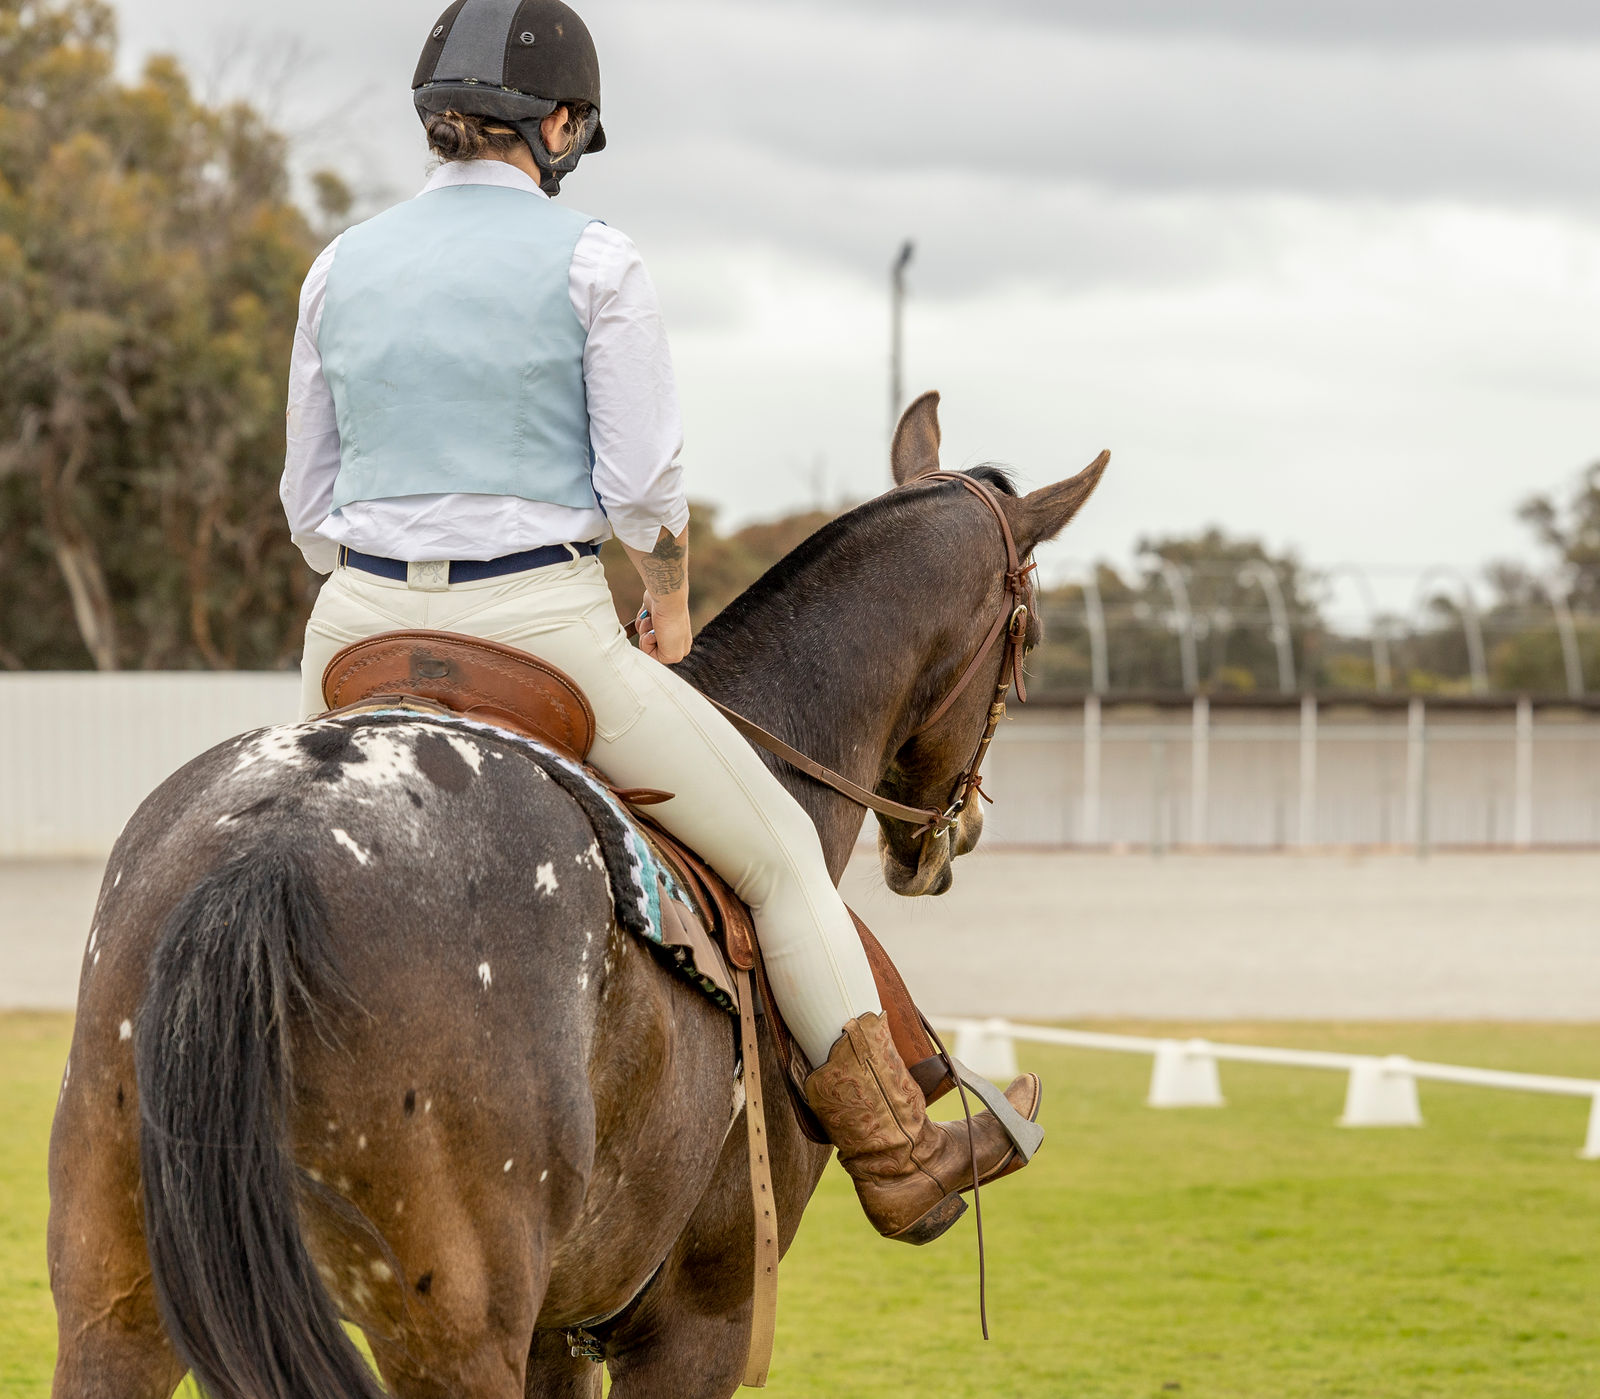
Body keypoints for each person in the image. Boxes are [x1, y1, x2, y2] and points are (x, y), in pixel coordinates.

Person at [279, 0, 1039, 1245]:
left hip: (350, 631)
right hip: (538, 627)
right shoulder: (593, 261)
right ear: (561, 125)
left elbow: (309, 505)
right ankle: (900, 1155)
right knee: (785, 861)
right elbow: (642, 493)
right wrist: (671, 607)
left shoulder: (337, 266)